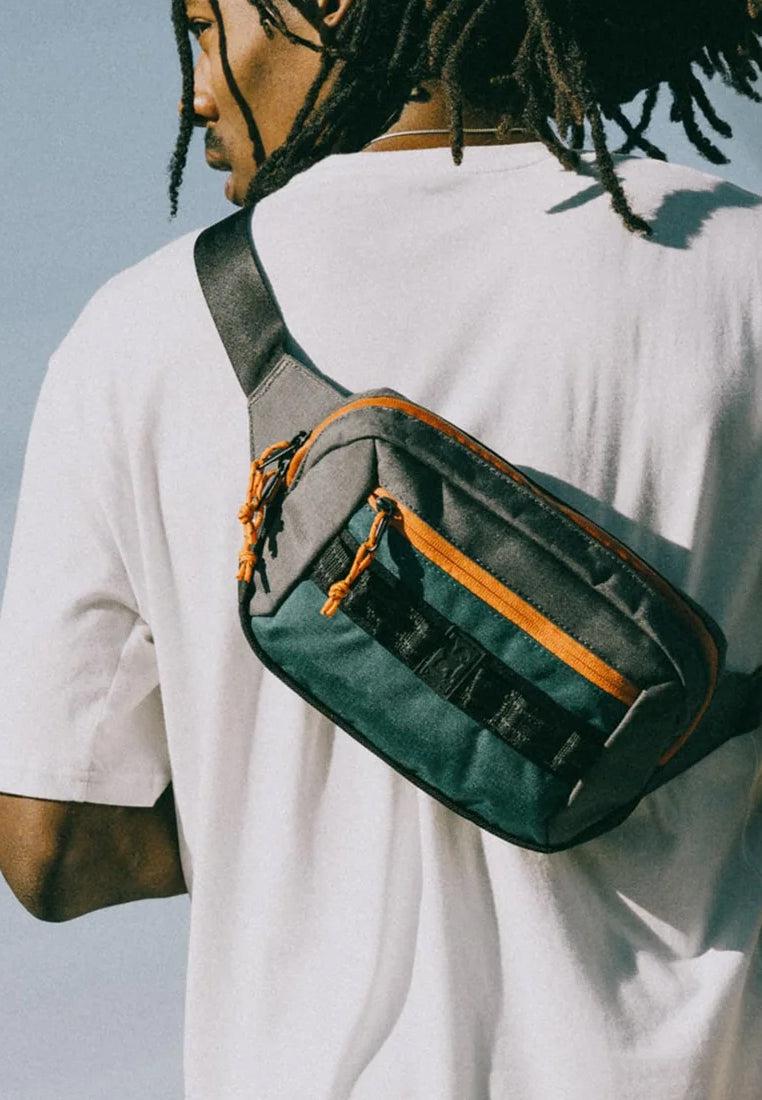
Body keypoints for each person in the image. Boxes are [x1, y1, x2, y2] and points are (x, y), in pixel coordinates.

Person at [1, 0, 761, 1096]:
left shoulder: (137, 337)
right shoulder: (739, 271)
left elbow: (51, 845)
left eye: (207, 26)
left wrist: (272, 799)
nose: (194, 94)